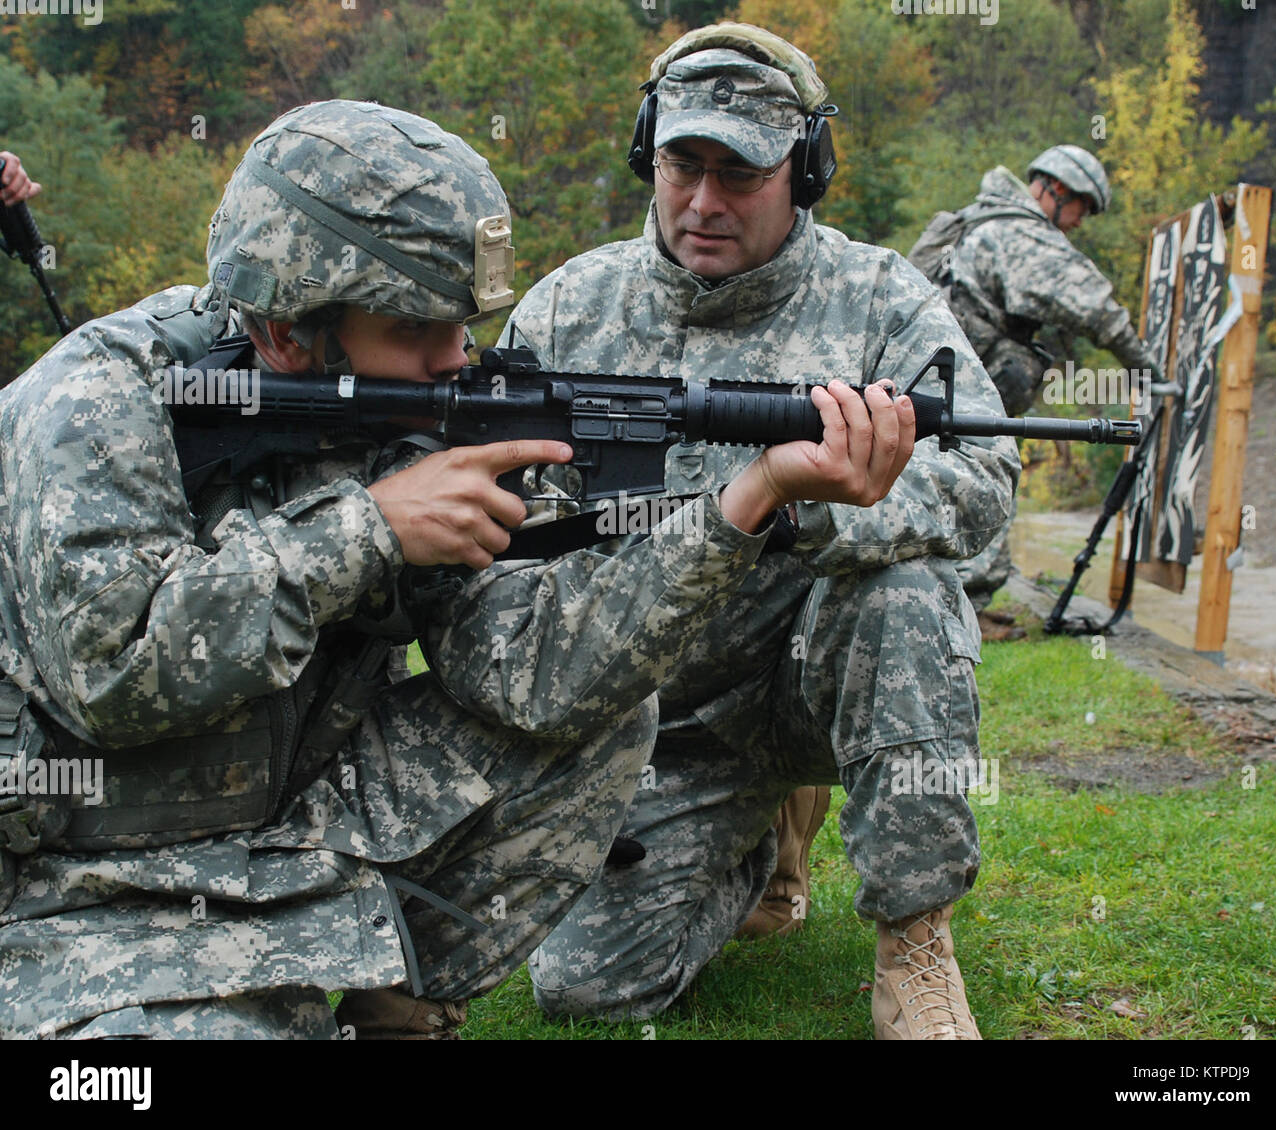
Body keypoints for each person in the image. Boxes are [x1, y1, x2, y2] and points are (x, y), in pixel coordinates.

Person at [0, 99, 906, 1039]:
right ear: (283, 329)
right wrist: (369, 532)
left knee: (600, 717)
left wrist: (747, 500)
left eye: (465, 323)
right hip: (75, 889)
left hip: (288, 834)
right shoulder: (98, 404)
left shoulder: (408, 409)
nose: (456, 358)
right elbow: (111, 669)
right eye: (417, 328)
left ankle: (390, 1006)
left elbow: (537, 678)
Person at [494, 23, 1020, 1039]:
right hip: (658, 716)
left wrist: (841, 504)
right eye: (682, 166)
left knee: (901, 590)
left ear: (806, 172)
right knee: (585, 988)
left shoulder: (880, 301)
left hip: (813, 671)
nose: (703, 202)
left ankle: (914, 941)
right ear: (649, 153)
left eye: (741, 173)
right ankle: (759, 839)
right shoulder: (567, 309)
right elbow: (504, 513)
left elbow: (986, 478)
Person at [910, 146, 1160, 637]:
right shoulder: (1021, 233)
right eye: (1082, 209)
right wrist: (1146, 367)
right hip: (968, 388)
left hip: (934, 383)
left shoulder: (977, 220)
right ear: (1058, 190)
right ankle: (962, 609)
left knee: (948, 481)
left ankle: (957, 604)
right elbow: (1094, 307)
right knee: (988, 476)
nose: (1080, 223)